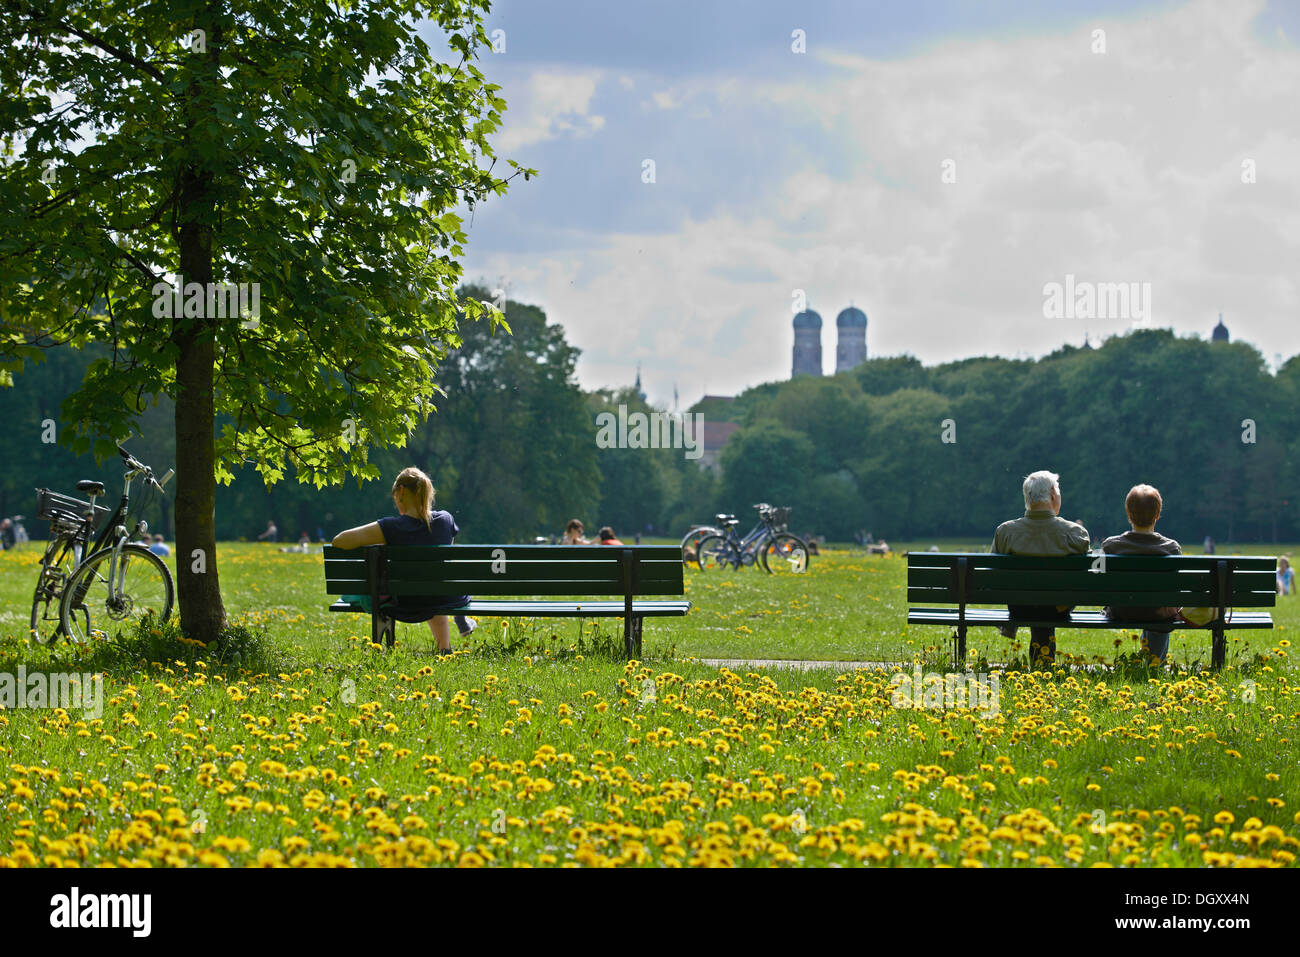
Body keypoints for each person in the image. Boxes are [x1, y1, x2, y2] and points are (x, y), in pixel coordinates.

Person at [332, 467, 475, 654]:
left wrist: (380, 539)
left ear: (400, 492)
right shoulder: (445, 520)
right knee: (433, 585)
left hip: (402, 602)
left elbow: (339, 541)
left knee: (422, 587)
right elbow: (444, 560)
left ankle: (437, 646)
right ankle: (444, 649)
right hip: (441, 598)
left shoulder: (390, 527)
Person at [991, 470, 1090, 668]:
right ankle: (1043, 666)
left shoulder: (1006, 532)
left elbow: (994, 575)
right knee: (1051, 597)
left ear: (1027, 497)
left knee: (1031, 597)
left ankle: (1034, 658)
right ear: (1053, 493)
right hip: (1057, 608)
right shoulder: (1075, 533)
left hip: (1020, 607)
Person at [1100, 485, 1181, 663]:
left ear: (1128, 514)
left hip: (1121, 610)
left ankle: (1148, 662)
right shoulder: (1171, 548)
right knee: (1160, 609)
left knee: (1153, 606)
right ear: (1158, 515)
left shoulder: (1111, 546)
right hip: (1158, 612)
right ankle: (1153, 663)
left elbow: (1097, 575)